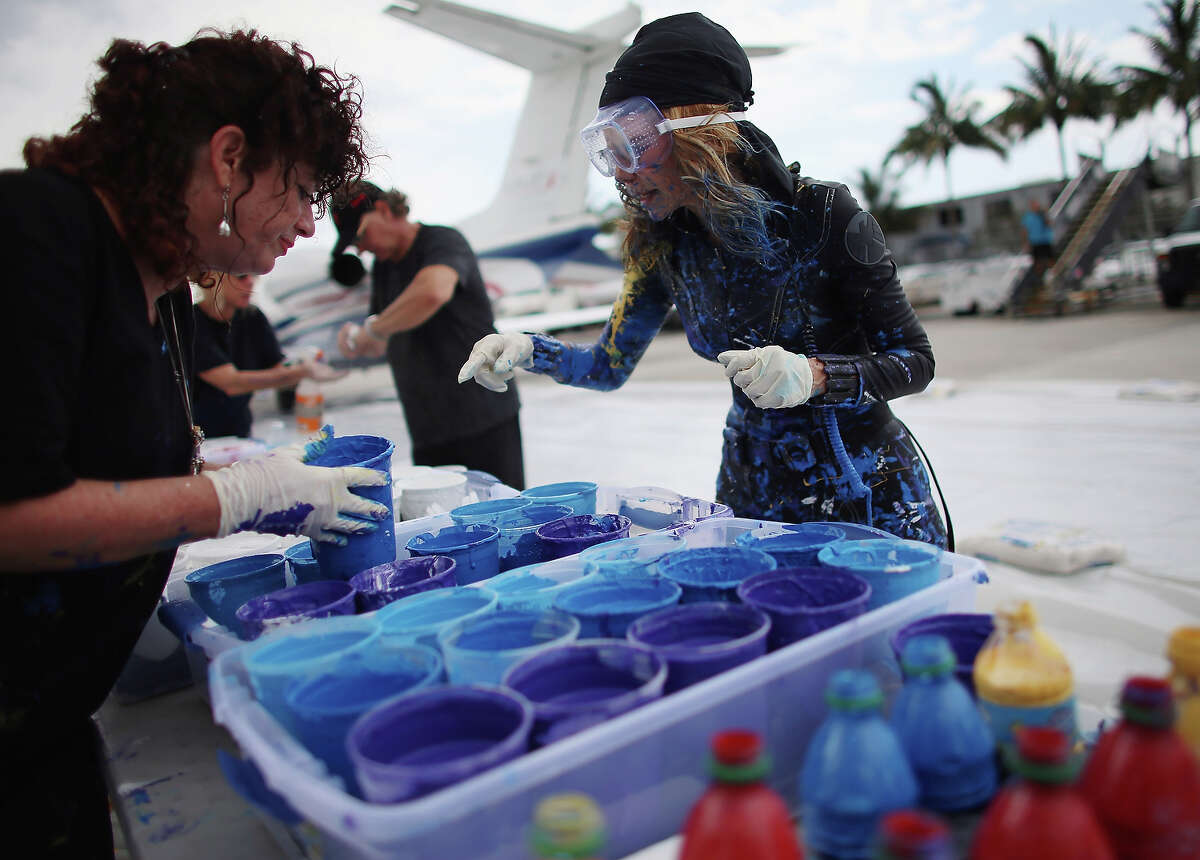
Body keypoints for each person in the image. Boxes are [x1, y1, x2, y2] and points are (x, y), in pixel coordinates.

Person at [0, 32, 389, 857]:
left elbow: (111, 463)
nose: (308, 223)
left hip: (49, 718)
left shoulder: (167, 288)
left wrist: (256, 480)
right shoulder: (34, 232)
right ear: (229, 156)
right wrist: (235, 497)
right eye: (301, 190)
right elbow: (12, 514)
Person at [459, 13, 947, 546]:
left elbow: (916, 361)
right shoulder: (661, 241)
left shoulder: (824, 215)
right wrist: (529, 349)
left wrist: (816, 376)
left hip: (865, 494)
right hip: (753, 490)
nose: (620, 172)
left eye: (631, 145)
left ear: (698, 132)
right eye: (607, 151)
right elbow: (606, 366)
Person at [333, 182, 525, 488]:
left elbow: (433, 291)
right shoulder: (383, 269)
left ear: (383, 210)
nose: (361, 249)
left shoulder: (442, 241)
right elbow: (381, 336)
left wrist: (373, 329)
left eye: (361, 235)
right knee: (438, 515)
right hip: (428, 429)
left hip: (482, 416)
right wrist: (356, 340)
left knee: (503, 507)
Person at [193, 271, 346, 439]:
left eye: (254, 275)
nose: (251, 282)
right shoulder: (194, 322)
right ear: (214, 279)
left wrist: (302, 362)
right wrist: (302, 371)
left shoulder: (251, 316)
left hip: (240, 430)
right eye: (241, 276)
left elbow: (279, 366)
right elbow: (231, 383)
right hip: (199, 434)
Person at [1021, 197, 1056, 275]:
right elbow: (1025, 231)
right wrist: (1026, 243)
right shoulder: (1028, 217)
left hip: (1045, 240)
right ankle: (1039, 276)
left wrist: (1045, 215)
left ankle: (1054, 274)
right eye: (1033, 205)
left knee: (1050, 259)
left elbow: (1050, 224)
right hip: (1035, 241)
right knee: (1037, 262)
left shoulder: (1043, 214)